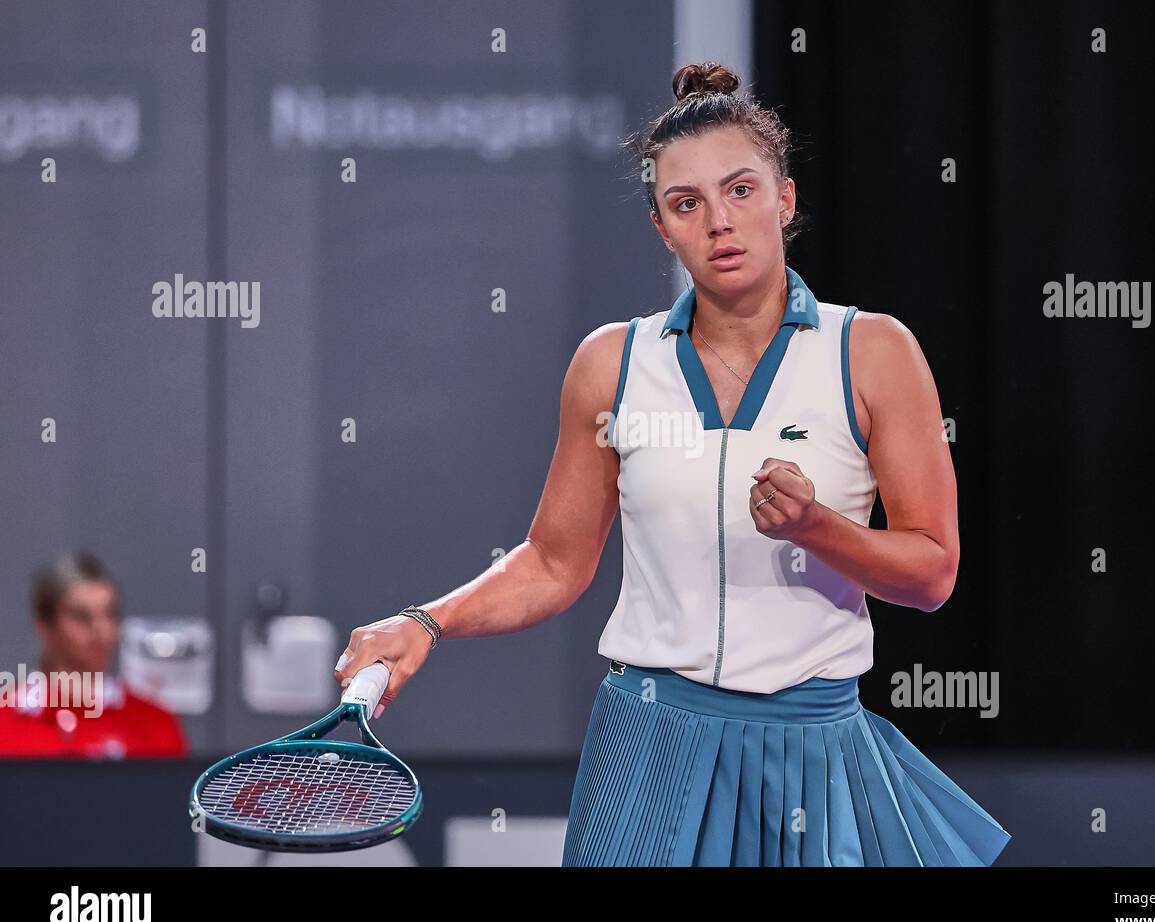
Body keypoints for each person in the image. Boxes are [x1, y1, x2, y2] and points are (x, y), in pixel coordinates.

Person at [335, 62, 1011, 866]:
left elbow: (932, 574)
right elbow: (554, 561)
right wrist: (424, 623)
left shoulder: (874, 351)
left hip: (810, 750)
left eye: (741, 191)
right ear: (662, 227)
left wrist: (817, 528)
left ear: (784, 200)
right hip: (647, 746)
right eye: (686, 204)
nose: (718, 222)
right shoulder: (610, 363)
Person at [0, 551, 188, 759]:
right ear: (44, 625)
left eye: (110, 614)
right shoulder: (5, 717)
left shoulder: (155, 722)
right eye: (81, 617)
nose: (102, 631)